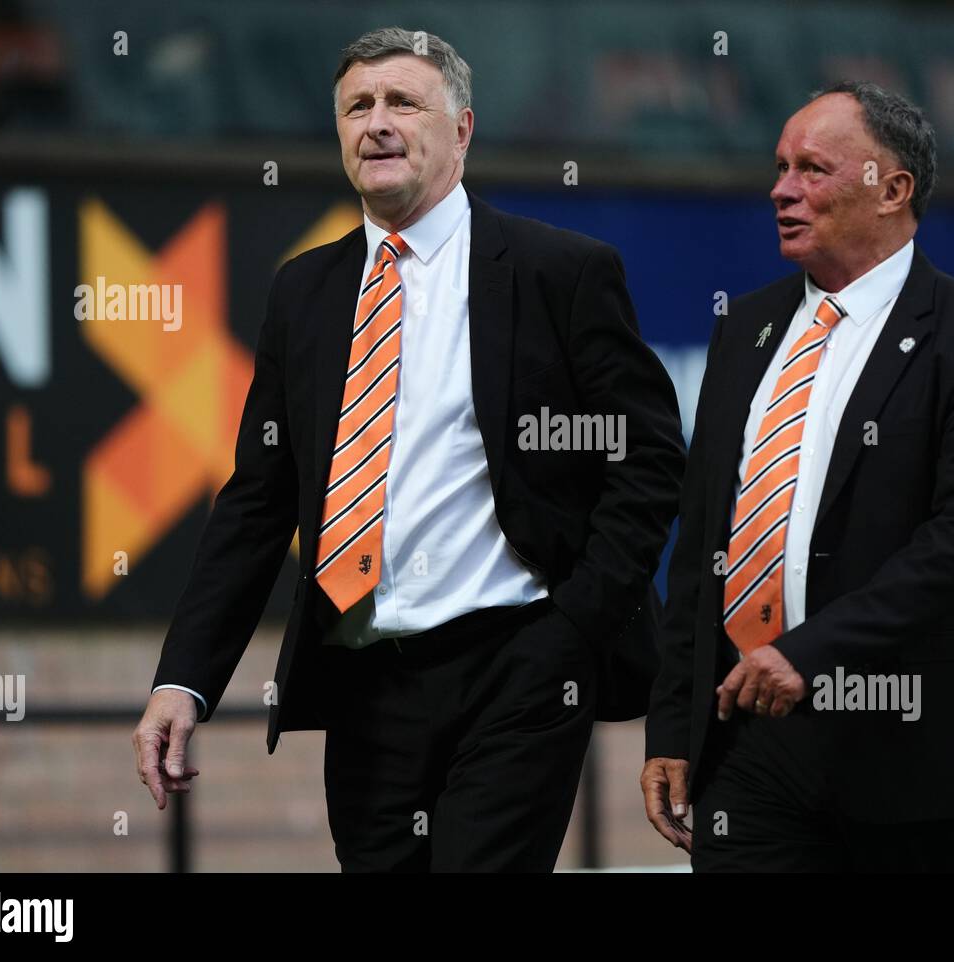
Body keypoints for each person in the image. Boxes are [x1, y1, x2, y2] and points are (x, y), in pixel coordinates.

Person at [132, 26, 685, 872]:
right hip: (365, 681)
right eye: (357, 106)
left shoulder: (557, 271)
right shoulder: (304, 289)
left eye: (403, 102)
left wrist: (571, 630)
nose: (376, 123)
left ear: (460, 130)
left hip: (519, 666)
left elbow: (647, 461)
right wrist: (184, 678)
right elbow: (258, 498)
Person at [641, 81, 954, 872]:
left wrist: (811, 651)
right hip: (750, 755)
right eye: (780, 168)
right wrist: (673, 728)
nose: (781, 189)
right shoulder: (747, 326)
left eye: (812, 169)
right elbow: (702, 544)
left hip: (921, 761)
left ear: (892, 189)